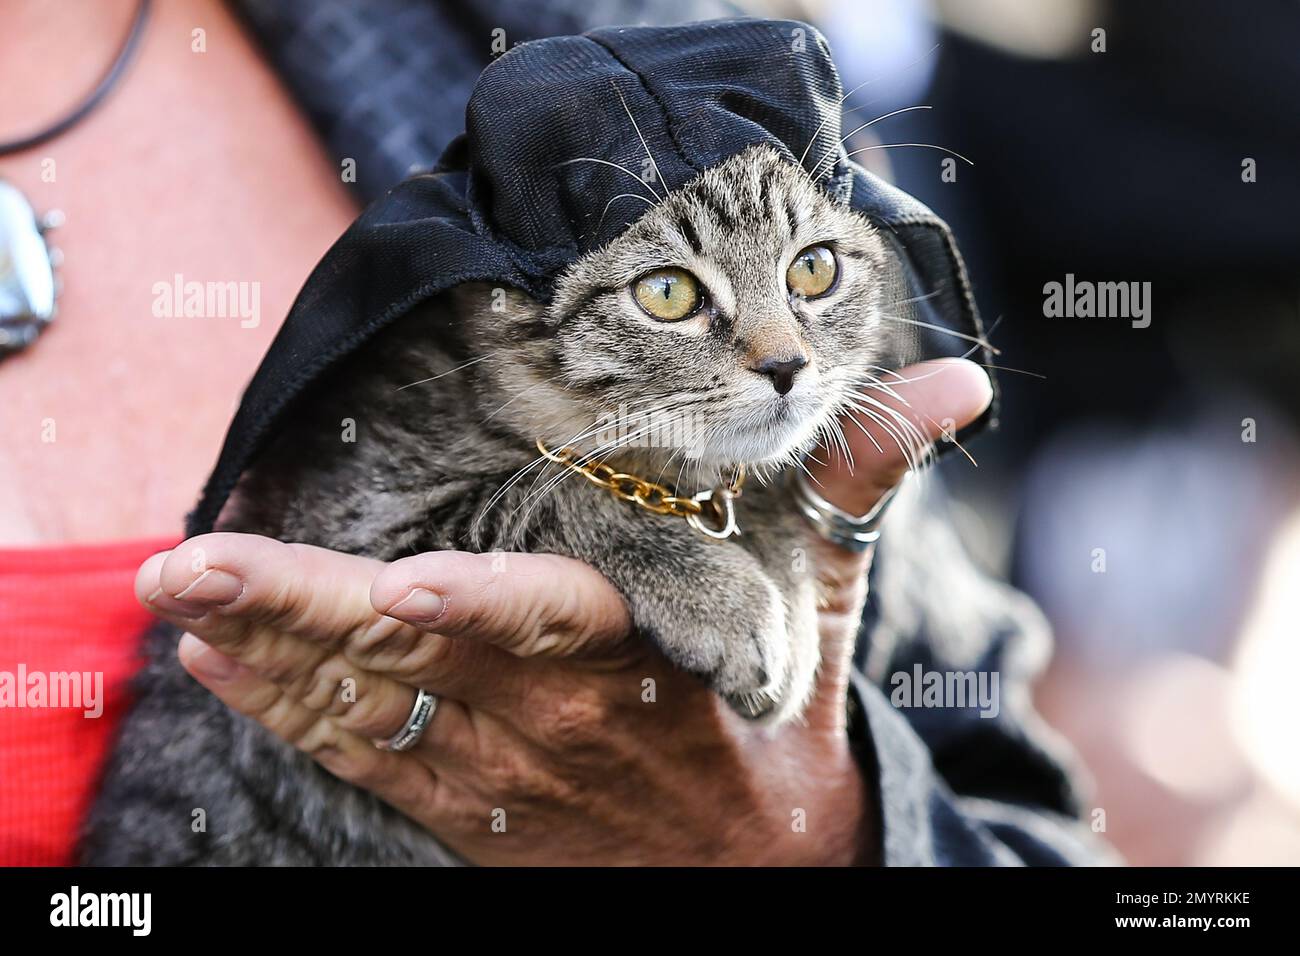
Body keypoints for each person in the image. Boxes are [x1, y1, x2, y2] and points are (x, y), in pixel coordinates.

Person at [1, 0, 1107, 866]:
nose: (783, 352)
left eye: (814, 273)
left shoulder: (644, 48)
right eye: (676, 296)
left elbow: (1019, 816)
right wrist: (619, 538)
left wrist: (793, 838)